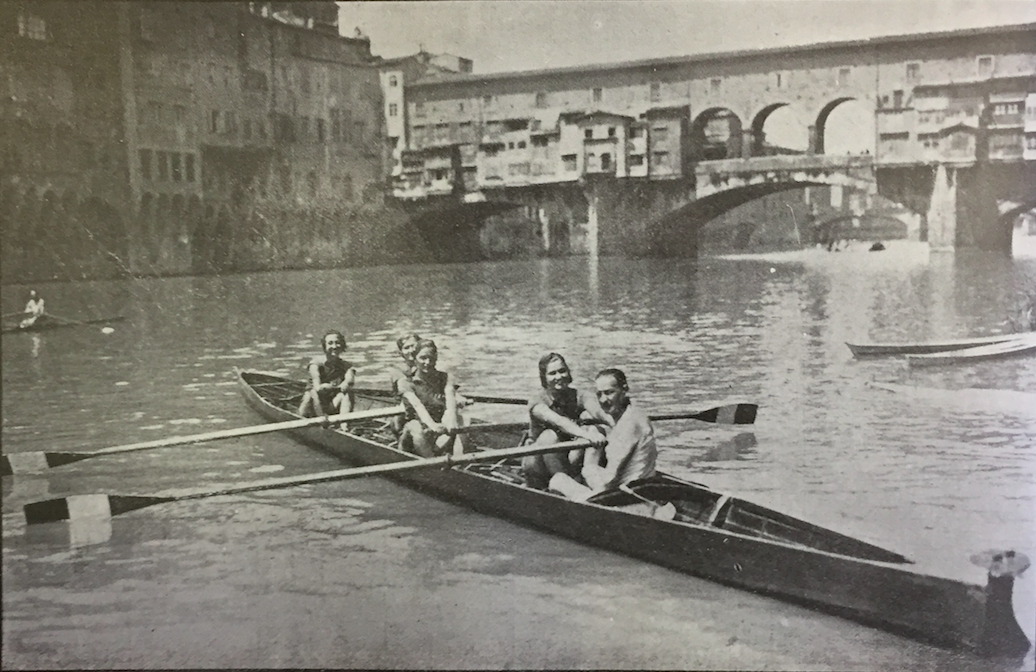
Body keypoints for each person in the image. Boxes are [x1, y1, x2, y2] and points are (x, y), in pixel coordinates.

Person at [521, 352, 610, 490]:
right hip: (538, 464)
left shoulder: (579, 395)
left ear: (568, 373)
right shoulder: (537, 401)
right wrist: (587, 436)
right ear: (544, 377)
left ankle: (591, 479)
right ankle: (563, 486)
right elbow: (558, 421)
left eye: (562, 371)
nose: (559, 377)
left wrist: (618, 424)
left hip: (567, 457)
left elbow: (598, 411)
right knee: (549, 436)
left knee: (596, 429)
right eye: (552, 373)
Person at [398, 339, 461, 457]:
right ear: (415, 358)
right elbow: (417, 405)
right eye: (423, 358)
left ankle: (459, 462)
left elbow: (450, 401)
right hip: (415, 432)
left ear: (436, 357)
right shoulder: (405, 382)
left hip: (440, 429)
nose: (428, 362)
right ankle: (432, 466)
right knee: (414, 426)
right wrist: (432, 425)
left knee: (460, 419)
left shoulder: (446, 378)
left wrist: (452, 420)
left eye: (431, 358)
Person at [298, 330, 356, 418]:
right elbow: (317, 387)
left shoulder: (347, 366)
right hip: (313, 405)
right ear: (324, 346)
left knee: (348, 393)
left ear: (342, 345)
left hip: (332, 405)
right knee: (311, 393)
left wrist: (345, 384)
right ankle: (308, 420)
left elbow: (349, 380)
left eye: (337, 343)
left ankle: (344, 425)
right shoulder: (315, 364)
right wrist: (333, 387)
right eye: (330, 343)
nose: (334, 346)